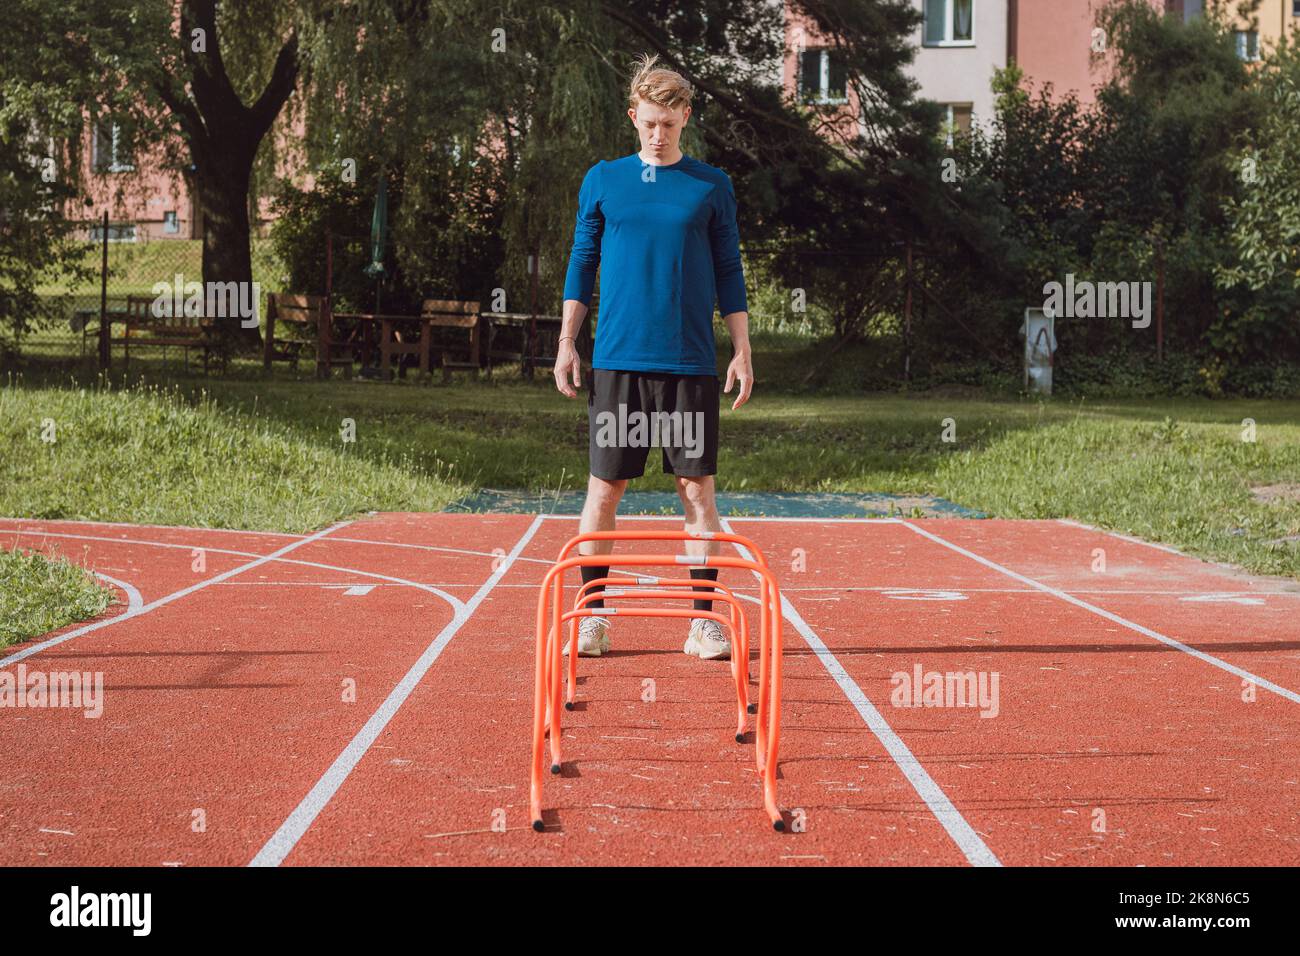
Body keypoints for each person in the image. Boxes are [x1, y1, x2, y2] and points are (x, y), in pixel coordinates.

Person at [553, 52, 753, 661]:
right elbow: (582, 264)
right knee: (605, 490)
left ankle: (702, 622)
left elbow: (728, 271)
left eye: (669, 123)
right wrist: (567, 341)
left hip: (690, 363)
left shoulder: (711, 185)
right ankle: (594, 618)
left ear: (684, 118)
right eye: (648, 123)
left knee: (697, 493)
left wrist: (742, 350)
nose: (658, 135)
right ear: (633, 117)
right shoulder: (604, 179)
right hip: (618, 361)